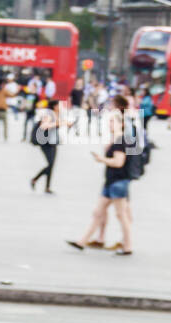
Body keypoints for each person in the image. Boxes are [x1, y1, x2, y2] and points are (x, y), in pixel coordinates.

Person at [67, 96, 133, 256]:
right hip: (111, 181)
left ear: (121, 124)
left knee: (121, 215)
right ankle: (82, 241)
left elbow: (118, 162)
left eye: (112, 122)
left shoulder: (121, 141)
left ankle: (127, 246)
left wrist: (101, 159)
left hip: (118, 181)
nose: (109, 124)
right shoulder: (117, 139)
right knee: (98, 212)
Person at [29, 98, 61, 193]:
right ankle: (35, 179)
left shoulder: (55, 114)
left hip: (53, 142)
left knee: (51, 165)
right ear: (55, 106)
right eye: (58, 105)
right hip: (45, 143)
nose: (60, 107)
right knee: (50, 164)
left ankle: (47, 187)